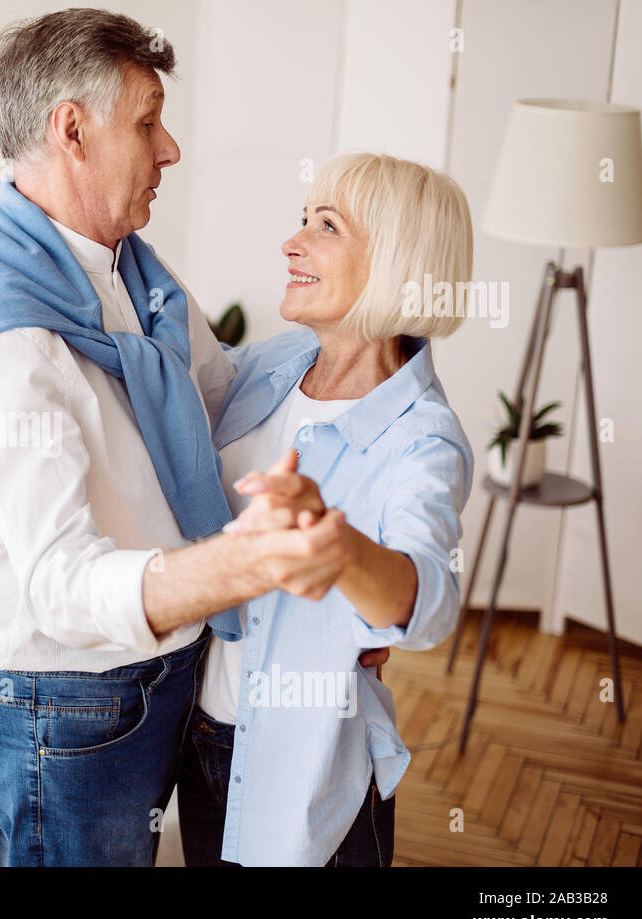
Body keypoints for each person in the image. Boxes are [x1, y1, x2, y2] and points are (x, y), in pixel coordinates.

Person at [0, 9, 385, 867]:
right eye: (148, 121)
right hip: (61, 710)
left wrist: (354, 333)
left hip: (158, 681)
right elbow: (61, 586)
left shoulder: (123, 271)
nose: (170, 150)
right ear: (73, 130)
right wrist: (248, 563)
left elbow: (225, 391)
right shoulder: (15, 345)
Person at [177, 152, 476, 866]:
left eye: (327, 226)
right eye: (302, 220)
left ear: (398, 262)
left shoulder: (422, 441)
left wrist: (336, 548)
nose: (293, 243)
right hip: (204, 736)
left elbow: (428, 596)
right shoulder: (275, 365)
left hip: (309, 770)